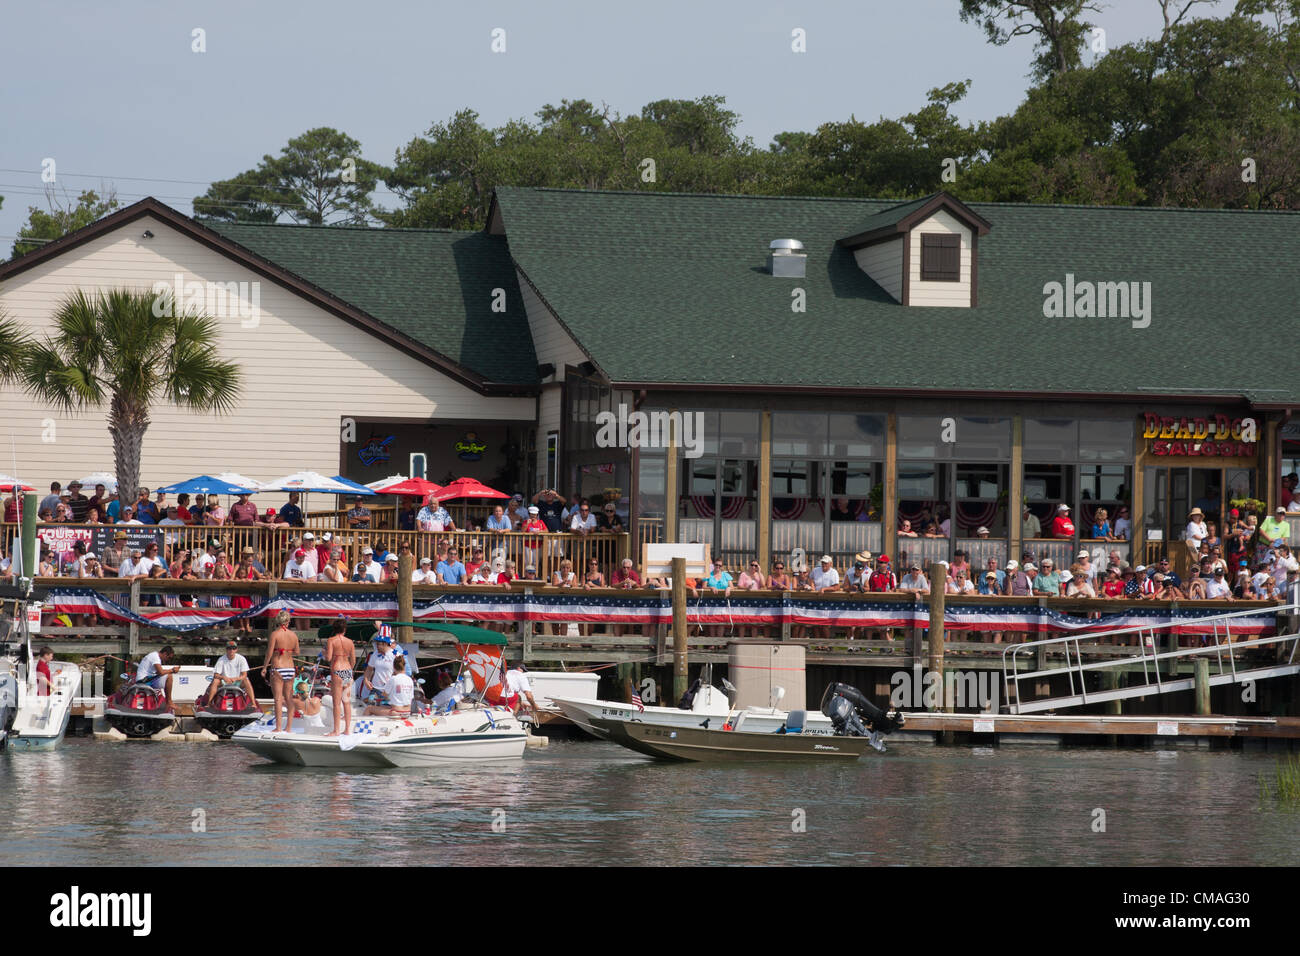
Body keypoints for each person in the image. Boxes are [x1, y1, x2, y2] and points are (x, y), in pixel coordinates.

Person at [260, 612, 299, 732]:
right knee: (289, 698)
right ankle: (288, 728)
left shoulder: (275, 634)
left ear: (278, 621)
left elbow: (269, 653)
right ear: (288, 621)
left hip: (278, 667)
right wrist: (287, 651)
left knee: (278, 699)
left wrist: (265, 667)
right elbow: (297, 652)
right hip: (290, 668)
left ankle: (278, 727)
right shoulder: (293, 635)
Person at [323, 620, 357, 736]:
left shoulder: (331, 640)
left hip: (337, 670)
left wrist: (324, 653)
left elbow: (328, 658)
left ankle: (336, 730)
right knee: (346, 702)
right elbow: (353, 660)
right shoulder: (350, 642)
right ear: (344, 629)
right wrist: (350, 669)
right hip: (347, 670)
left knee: (336, 703)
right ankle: (347, 729)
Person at [201, 640, 256, 706]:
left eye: (233, 648)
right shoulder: (221, 659)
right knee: (215, 681)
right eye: (229, 648)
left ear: (236, 650)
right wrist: (223, 677)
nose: (231, 650)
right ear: (226, 650)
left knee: (246, 680)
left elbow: (244, 675)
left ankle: (253, 703)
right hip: (224, 681)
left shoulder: (241, 659)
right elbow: (216, 675)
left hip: (237, 682)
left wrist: (236, 678)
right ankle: (209, 703)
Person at [362, 634, 397, 703]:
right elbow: (369, 668)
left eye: (378, 644)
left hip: (388, 691)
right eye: (376, 644)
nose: (376, 646)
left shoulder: (395, 655)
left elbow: (400, 673)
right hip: (375, 688)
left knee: (384, 711)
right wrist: (366, 680)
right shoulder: (375, 654)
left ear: (385, 644)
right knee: (370, 708)